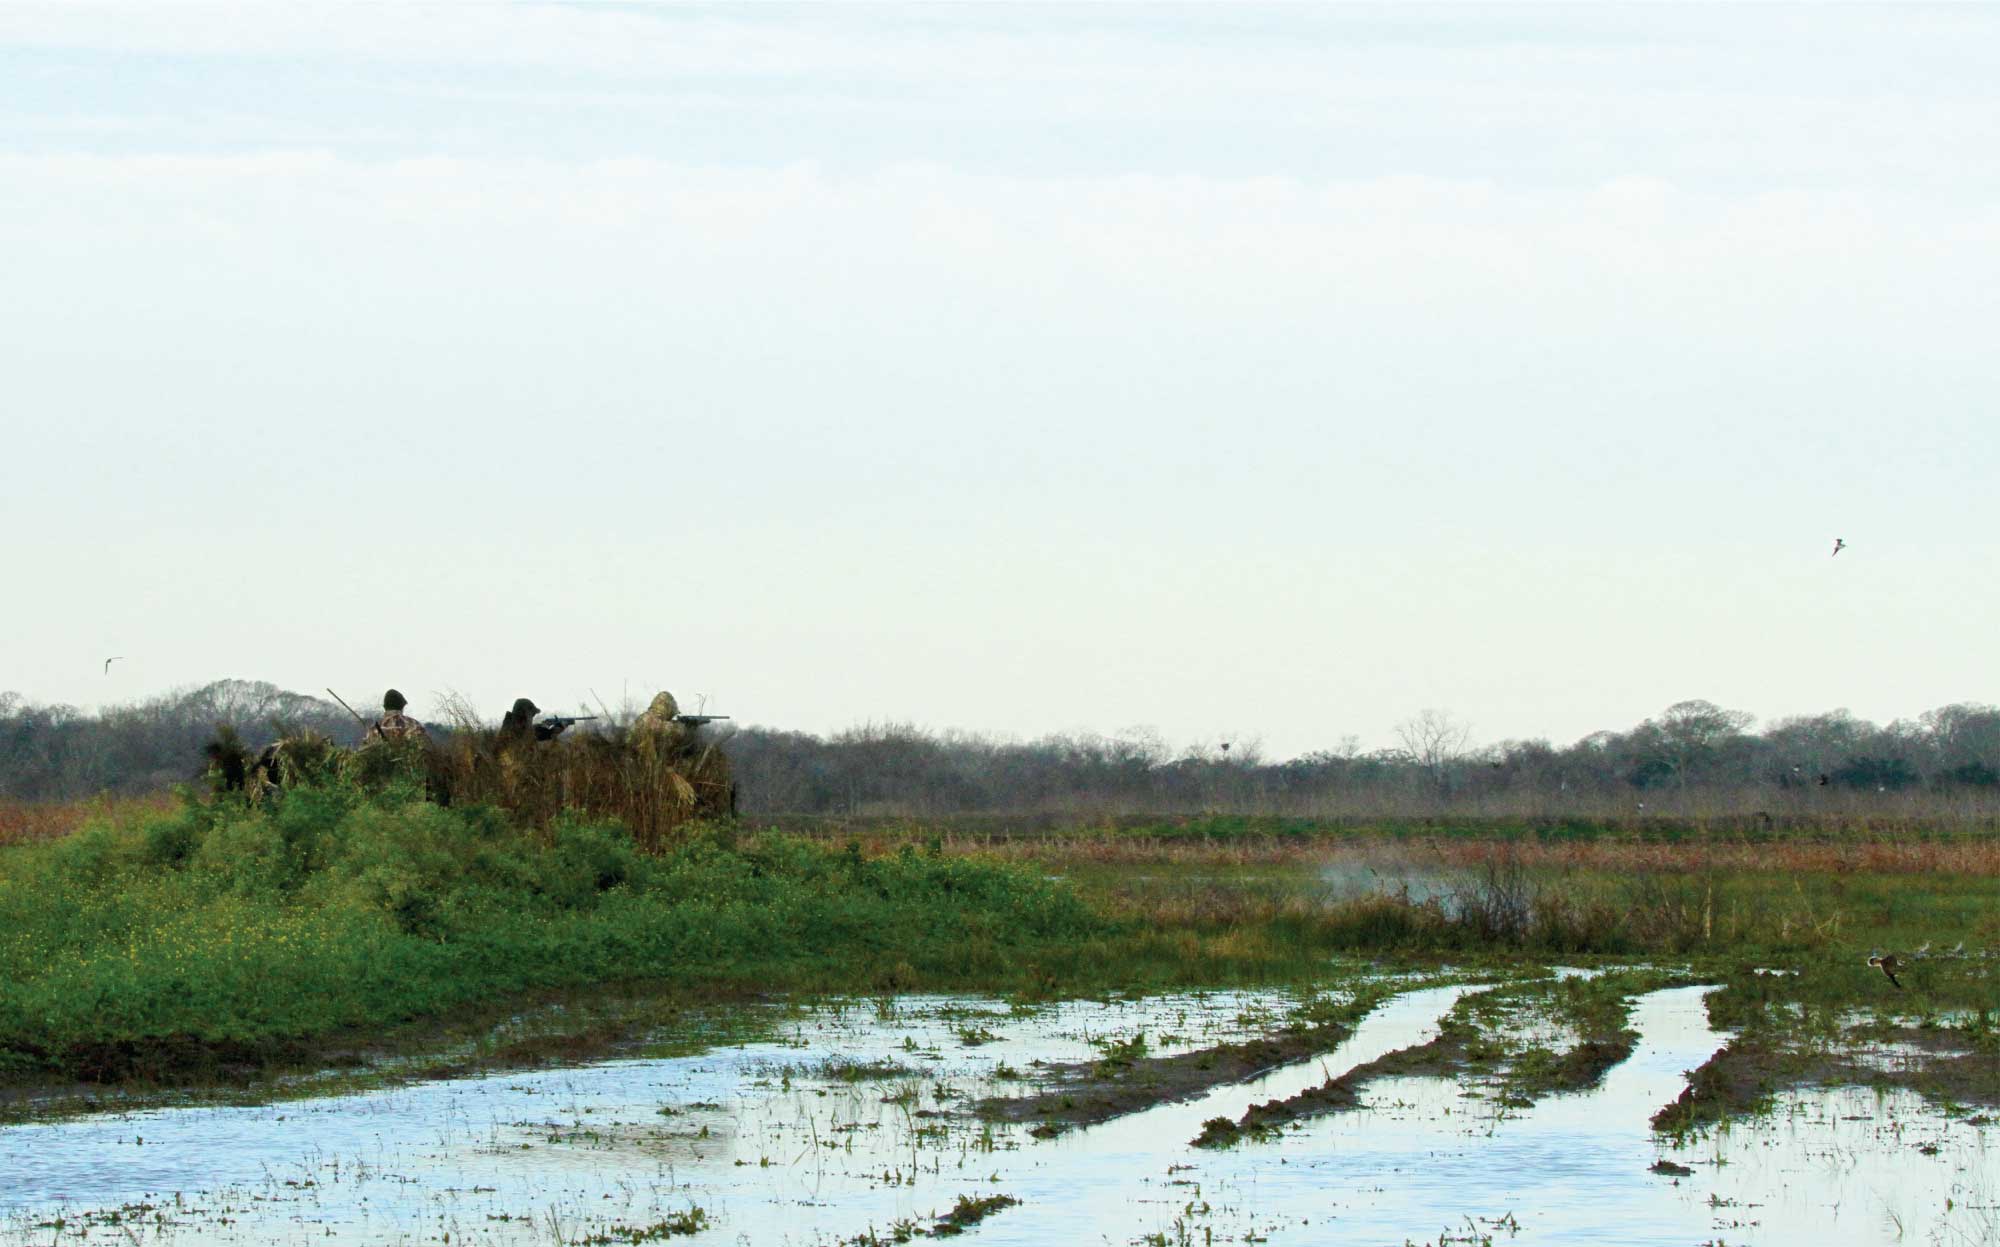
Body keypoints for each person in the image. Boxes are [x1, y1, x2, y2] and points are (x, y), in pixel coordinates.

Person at [363, 688, 430, 745]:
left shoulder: (373, 729)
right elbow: (426, 749)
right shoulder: (414, 724)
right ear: (402, 706)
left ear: (384, 707)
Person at [499, 697, 571, 742]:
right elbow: (529, 736)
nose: (532, 718)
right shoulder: (512, 731)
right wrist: (558, 727)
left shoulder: (512, 727)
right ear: (525, 715)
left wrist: (545, 728)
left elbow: (532, 733)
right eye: (532, 715)